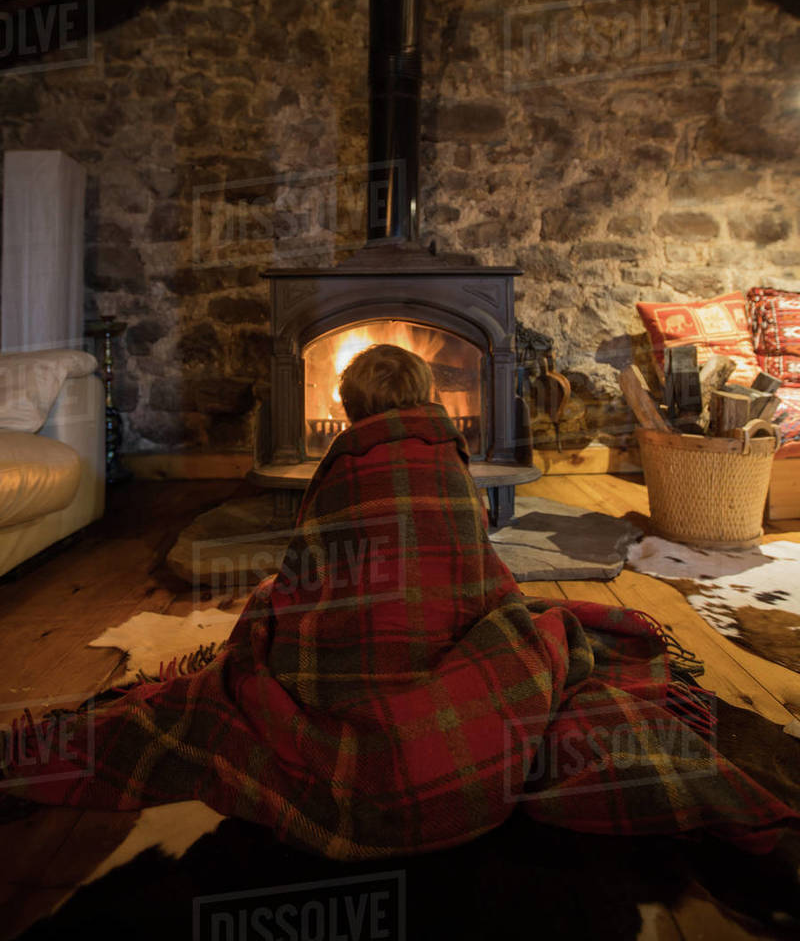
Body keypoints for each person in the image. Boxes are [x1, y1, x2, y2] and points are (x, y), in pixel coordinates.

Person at [1, 344, 797, 862]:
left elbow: (312, 586)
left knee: (214, 692)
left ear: (346, 409)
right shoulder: (450, 468)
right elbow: (476, 582)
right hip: (465, 735)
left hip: (340, 725)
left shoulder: (340, 473)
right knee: (542, 633)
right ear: (429, 400)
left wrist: (261, 639)